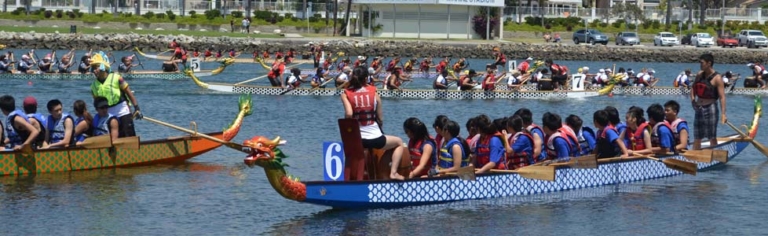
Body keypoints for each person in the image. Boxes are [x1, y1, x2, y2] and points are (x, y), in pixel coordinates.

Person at [340, 67, 406, 180]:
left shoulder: (346, 93)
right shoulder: (373, 91)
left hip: (358, 141)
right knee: (399, 142)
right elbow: (380, 117)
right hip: (376, 138)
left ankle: (352, 178)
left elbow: (349, 114)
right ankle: (393, 173)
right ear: (366, 78)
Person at [89, 51, 141, 138]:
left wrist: (136, 108)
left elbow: (128, 92)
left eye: (96, 67)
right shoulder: (93, 86)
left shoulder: (117, 77)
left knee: (128, 137)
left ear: (103, 66)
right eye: (93, 68)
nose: (94, 70)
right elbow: (96, 103)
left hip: (122, 112)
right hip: (107, 115)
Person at [691, 53, 727, 150]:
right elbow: (693, 88)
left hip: (710, 108)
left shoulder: (717, 78)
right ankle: (695, 156)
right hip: (698, 108)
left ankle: (713, 156)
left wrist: (723, 114)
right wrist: (693, 100)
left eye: (702, 63)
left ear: (709, 63)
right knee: (697, 136)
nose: (700, 65)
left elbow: (722, 97)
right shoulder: (699, 75)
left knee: (712, 136)